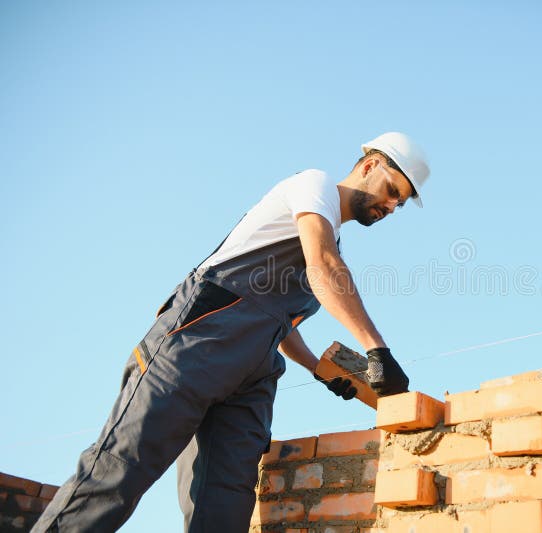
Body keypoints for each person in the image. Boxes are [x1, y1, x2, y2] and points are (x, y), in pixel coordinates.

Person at [33, 132, 430, 532]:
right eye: (393, 190)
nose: (392, 205)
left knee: (224, 505)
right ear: (369, 166)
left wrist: (317, 369)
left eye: (401, 202)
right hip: (198, 342)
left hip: (253, 369)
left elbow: (280, 324)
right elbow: (323, 267)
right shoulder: (315, 186)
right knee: (120, 471)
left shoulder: (330, 243)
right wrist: (377, 349)